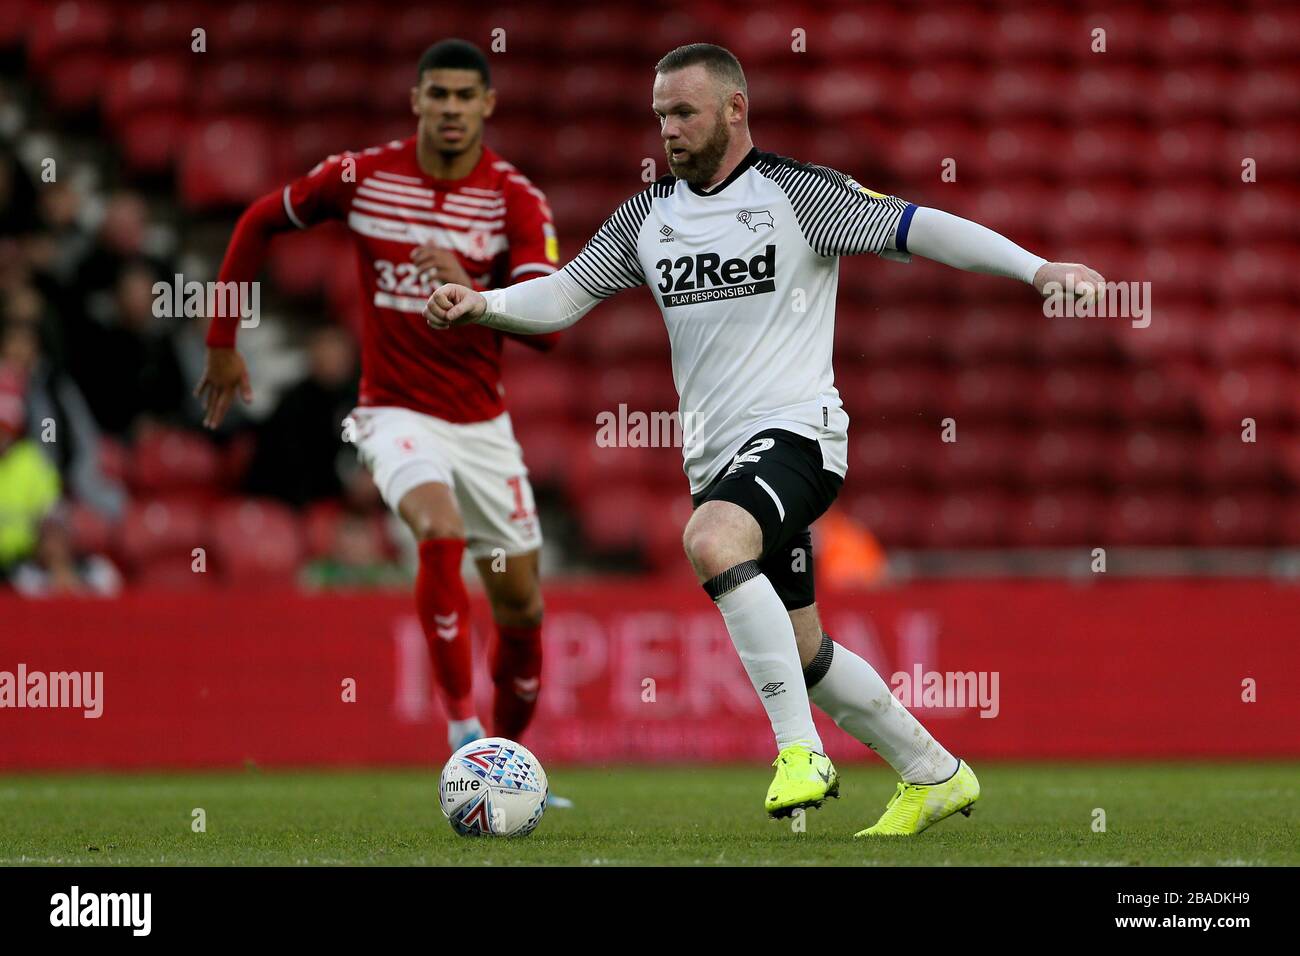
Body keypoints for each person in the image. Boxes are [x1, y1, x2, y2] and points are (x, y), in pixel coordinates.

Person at [425, 43, 1105, 837]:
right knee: (805, 649)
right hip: (718, 459)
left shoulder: (798, 195)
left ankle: (798, 753)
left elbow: (922, 229)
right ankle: (934, 773)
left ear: (734, 108)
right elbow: (566, 296)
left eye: (683, 112)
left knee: (711, 540)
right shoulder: (648, 216)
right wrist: (484, 305)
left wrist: (1035, 269)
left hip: (800, 438)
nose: (668, 131)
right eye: (660, 117)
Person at [195, 40, 565, 767]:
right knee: (439, 530)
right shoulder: (362, 176)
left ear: (487, 105)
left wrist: (475, 289)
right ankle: (461, 727)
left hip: (483, 426)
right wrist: (220, 338)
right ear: (416, 100)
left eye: (466, 96)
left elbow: (548, 325)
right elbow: (258, 221)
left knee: (522, 611)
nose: (452, 109)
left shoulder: (516, 199)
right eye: (439, 95)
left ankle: (507, 764)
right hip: (393, 411)